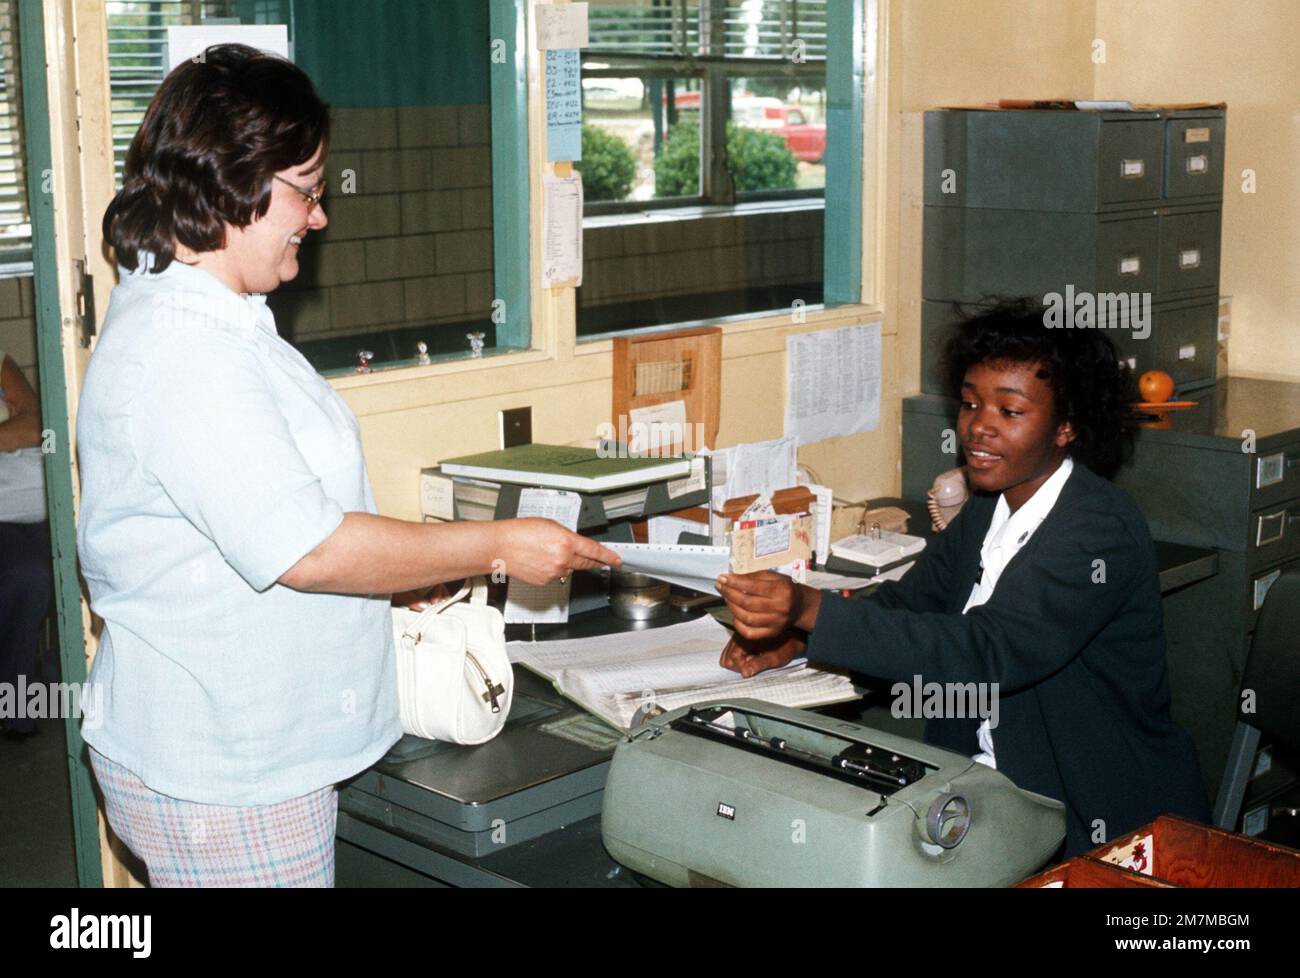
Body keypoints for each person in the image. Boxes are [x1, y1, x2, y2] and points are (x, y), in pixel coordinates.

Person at [77, 44, 619, 887]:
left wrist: (402, 575)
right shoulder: (187, 351)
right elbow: (310, 549)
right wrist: (496, 545)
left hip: (236, 752)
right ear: (230, 183)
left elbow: (272, 517)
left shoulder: (217, 315)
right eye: (307, 189)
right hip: (231, 771)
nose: (319, 217)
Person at [715, 300, 1210, 857]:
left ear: (1068, 426)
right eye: (971, 403)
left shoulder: (1099, 530)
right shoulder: (987, 507)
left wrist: (811, 609)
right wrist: (797, 643)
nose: (979, 427)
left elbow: (989, 651)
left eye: (1011, 411)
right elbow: (911, 605)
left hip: (1092, 814)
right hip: (984, 792)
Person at [0, 351, 51, 740]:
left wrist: (19, 431)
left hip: (40, 502)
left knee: (51, 574)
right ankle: (16, 706)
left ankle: (26, 693)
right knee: (29, 577)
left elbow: (38, 432)